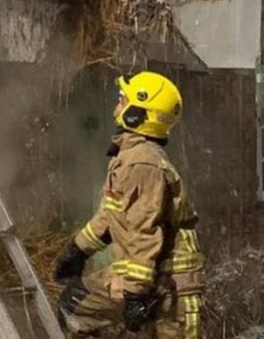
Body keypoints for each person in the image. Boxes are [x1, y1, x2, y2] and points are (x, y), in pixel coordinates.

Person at [54, 72, 205, 338]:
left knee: (75, 308)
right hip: (156, 282)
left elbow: (143, 232)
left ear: (138, 113)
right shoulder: (133, 157)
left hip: (170, 290)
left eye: (122, 99)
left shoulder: (141, 163)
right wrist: (78, 250)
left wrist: (135, 293)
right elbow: (112, 215)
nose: (117, 105)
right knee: (75, 306)